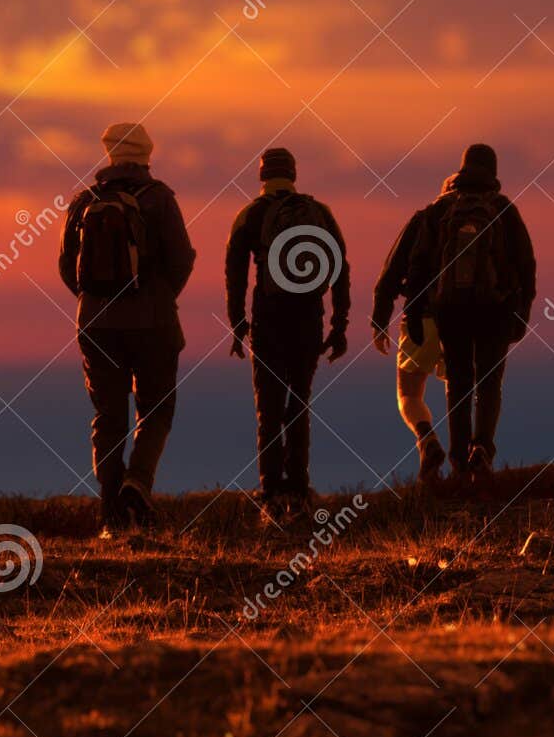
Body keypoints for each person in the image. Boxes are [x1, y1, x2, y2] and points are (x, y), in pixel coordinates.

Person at [59, 123, 196, 534]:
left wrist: (96, 302)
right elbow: (181, 260)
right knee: (157, 408)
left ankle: (111, 516)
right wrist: (157, 296)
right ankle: (137, 487)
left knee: (108, 416)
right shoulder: (160, 199)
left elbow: (69, 268)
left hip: (96, 326)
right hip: (153, 322)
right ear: (146, 156)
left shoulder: (84, 202)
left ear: (110, 156)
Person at [225, 147, 350, 520]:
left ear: (262, 175)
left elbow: (234, 274)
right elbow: (341, 269)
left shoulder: (251, 214)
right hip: (308, 320)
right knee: (299, 406)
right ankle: (299, 490)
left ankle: (271, 494)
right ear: (293, 174)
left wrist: (237, 324)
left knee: (269, 408)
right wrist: (339, 325)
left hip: (268, 322)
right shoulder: (319, 213)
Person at [401, 144, 535, 481]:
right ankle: (483, 450)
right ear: (493, 172)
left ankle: (460, 462)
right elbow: (526, 264)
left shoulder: (440, 209)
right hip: (496, 309)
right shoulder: (503, 209)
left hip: (451, 309)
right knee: (490, 382)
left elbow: (418, 265)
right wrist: (522, 311)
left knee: (458, 383)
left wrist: (414, 311)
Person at [373, 199, 448, 485]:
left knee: (409, 395)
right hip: (466, 322)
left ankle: (426, 437)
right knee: (460, 391)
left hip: (422, 318)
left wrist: (380, 320)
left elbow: (391, 272)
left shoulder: (425, 218)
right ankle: (469, 464)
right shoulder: (493, 215)